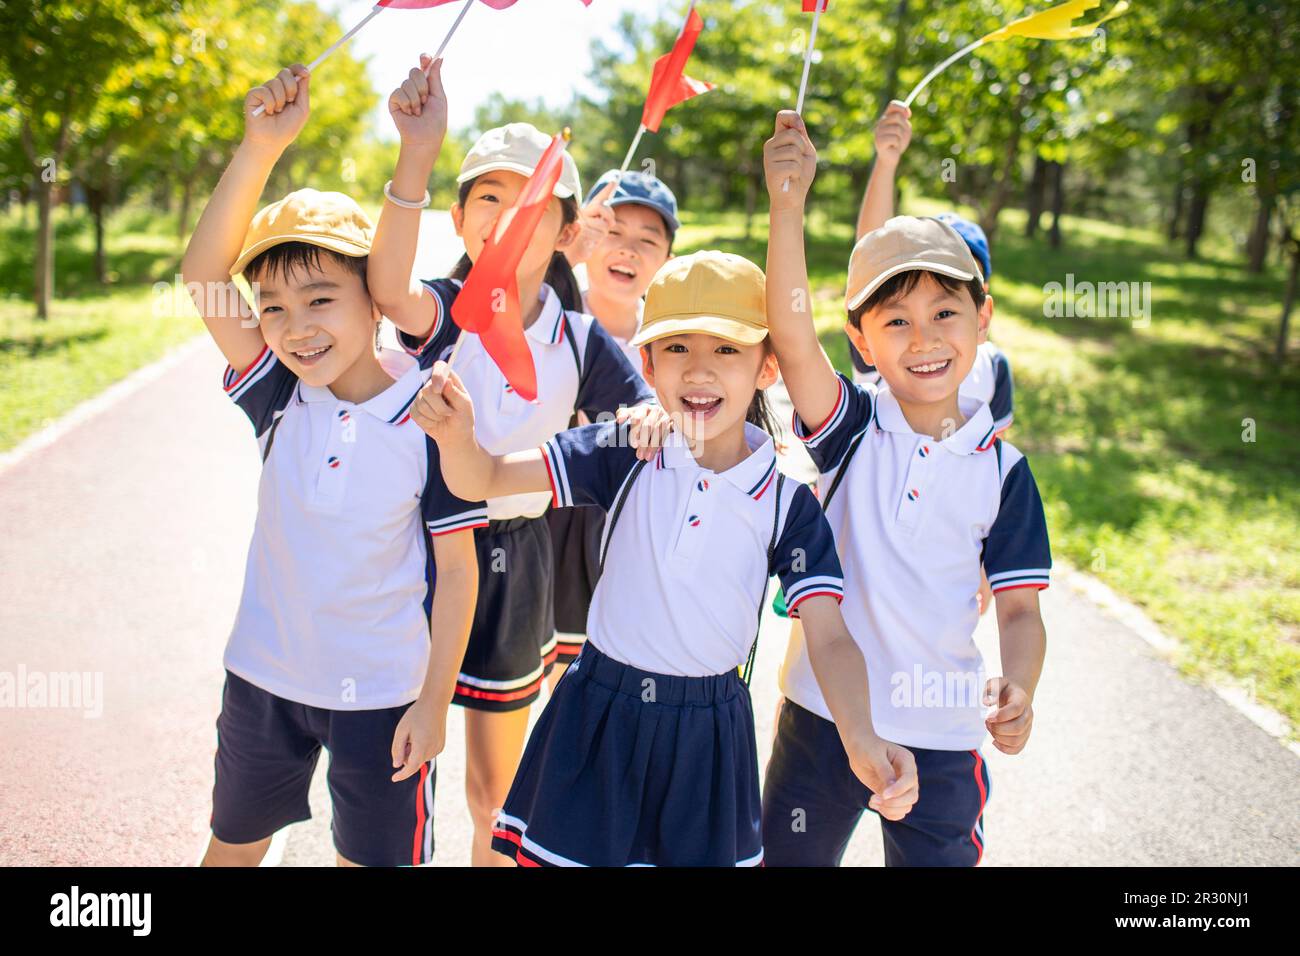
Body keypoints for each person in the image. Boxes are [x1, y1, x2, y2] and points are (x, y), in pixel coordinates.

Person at [410, 249, 918, 866]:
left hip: (707, 737)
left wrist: (859, 735)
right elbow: (483, 477)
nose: (700, 371)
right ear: (647, 364)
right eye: (678, 348)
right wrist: (457, 436)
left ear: (768, 367)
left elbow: (831, 638)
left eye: (727, 349)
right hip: (597, 714)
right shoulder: (625, 449)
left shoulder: (788, 505)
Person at [367, 56, 668, 865]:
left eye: (530, 203)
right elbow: (387, 286)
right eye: (488, 199)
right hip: (420, 557)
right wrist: (416, 152)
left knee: (491, 795)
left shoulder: (578, 337)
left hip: (516, 562)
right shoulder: (444, 313)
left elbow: (641, 406)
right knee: (392, 756)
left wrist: (642, 414)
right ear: (461, 219)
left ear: (567, 232)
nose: (507, 217)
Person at [180, 65, 483, 867]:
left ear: (372, 298)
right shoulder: (278, 392)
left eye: (320, 299)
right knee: (231, 852)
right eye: (272, 308)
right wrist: (259, 146)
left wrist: (434, 701)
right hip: (264, 681)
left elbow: (457, 574)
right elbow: (204, 281)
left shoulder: (430, 411)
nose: (294, 328)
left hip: (383, 699)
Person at [761, 111, 1051, 867]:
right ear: (860, 340)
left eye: (945, 313)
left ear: (982, 319)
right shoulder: (851, 425)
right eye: (896, 321)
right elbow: (792, 335)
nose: (923, 339)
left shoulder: (1004, 471)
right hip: (823, 716)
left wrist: (1018, 685)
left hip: (946, 731)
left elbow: (1020, 610)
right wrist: (786, 206)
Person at [548, 169, 678, 685]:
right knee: (549, 671)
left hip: (633, 526)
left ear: (667, 260)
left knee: (610, 671)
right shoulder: (548, 313)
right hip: (550, 515)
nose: (628, 251)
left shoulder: (673, 339)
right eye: (614, 232)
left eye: (648, 241)